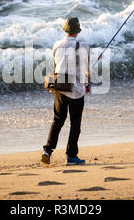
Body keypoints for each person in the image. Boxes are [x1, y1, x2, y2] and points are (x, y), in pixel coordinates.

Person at [41, 17, 90, 165]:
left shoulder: (56, 45)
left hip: (61, 87)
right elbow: (86, 70)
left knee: (57, 120)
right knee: (75, 123)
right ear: (77, 31)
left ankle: (47, 151)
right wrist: (87, 84)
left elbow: (56, 66)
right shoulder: (84, 46)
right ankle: (71, 156)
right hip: (76, 90)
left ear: (66, 30)